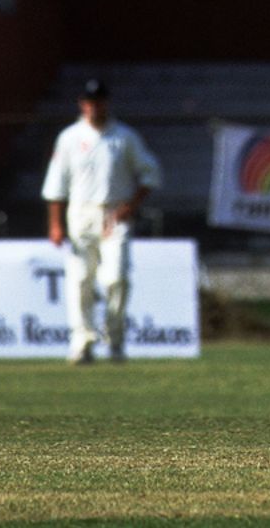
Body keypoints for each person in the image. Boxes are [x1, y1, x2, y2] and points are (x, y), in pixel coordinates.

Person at [41, 77, 162, 363]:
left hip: (114, 215)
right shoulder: (70, 138)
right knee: (80, 280)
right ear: (82, 104)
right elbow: (56, 185)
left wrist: (130, 206)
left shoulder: (124, 137)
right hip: (80, 214)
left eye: (99, 101)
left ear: (106, 103)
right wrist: (55, 224)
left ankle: (115, 341)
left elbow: (150, 174)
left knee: (116, 278)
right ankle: (82, 343)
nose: (94, 107)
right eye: (89, 102)